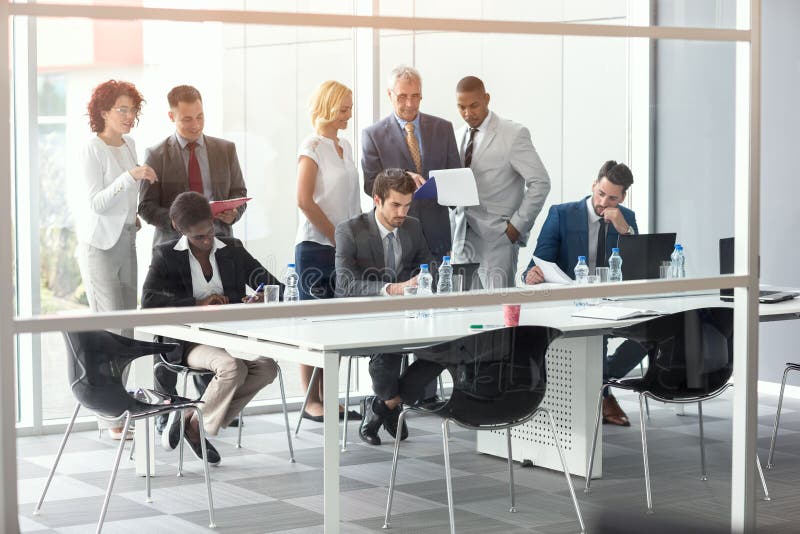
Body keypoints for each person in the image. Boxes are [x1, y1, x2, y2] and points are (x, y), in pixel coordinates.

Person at [141, 191, 283, 465]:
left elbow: (272, 284)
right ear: (178, 228)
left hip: (230, 338)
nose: (207, 241)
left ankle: (192, 420)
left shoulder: (233, 250)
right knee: (233, 368)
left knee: (267, 368)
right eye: (198, 237)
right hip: (185, 343)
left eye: (210, 232)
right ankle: (198, 425)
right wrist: (196, 303)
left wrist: (260, 296)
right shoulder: (166, 256)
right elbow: (148, 301)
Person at [138, 85, 248, 431]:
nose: (195, 124)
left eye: (200, 116)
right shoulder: (157, 154)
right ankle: (165, 399)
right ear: (172, 116)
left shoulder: (224, 149)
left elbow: (239, 194)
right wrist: (180, 223)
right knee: (176, 323)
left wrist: (233, 212)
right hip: (177, 251)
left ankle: (211, 401)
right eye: (187, 119)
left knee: (218, 319)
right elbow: (145, 207)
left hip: (220, 244)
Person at [523, 160, 644, 426]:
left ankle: (598, 382)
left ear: (622, 197)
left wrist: (625, 230)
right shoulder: (562, 214)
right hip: (572, 305)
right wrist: (533, 274)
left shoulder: (627, 219)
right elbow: (536, 263)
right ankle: (603, 395)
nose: (603, 202)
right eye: (600, 193)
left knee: (647, 336)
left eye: (612, 197)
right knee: (597, 338)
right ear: (593, 186)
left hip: (612, 302)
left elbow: (639, 269)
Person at [335, 169, 445, 445]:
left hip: (406, 313)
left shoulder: (412, 226)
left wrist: (429, 276)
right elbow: (345, 284)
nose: (402, 213)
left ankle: (384, 406)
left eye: (407, 205)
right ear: (377, 199)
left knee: (447, 347)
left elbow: (428, 263)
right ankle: (390, 406)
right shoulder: (349, 230)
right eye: (396, 205)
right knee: (389, 349)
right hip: (365, 314)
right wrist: (391, 289)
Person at [74, 80, 157, 440]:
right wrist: (130, 176)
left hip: (126, 240)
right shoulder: (91, 149)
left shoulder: (131, 145)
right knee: (107, 331)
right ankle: (109, 417)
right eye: (122, 109)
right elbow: (94, 202)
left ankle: (117, 406)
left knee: (124, 332)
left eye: (133, 110)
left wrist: (131, 217)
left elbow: (121, 200)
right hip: (99, 247)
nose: (129, 116)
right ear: (104, 112)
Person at [295, 80, 362, 422]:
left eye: (350, 107)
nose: (349, 113)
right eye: (344, 108)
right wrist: (336, 236)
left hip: (343, 246)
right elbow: (304, 201)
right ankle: (310, 401)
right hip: (316, 247)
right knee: (313, 324)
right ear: (327, 106)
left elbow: (351, 200)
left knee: (334, 325)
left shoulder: (344, 146)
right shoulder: (312, 146)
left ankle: (329, 396)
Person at [452, 76, 551, 289]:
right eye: (461, 107)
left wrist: (517, 227)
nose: (468, 113)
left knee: (499, 313)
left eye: (474, 105)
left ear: (487, 99)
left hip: (498, 237)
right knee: (462, 313)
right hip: (461, 239)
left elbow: (540, 182)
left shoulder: (513, 134)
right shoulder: (456, 136)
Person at [361, 65, 461, 259]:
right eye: (402, 97)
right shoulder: (373, 135)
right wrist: (402, 177)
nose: (409, 103)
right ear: (389, 95)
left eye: (415, 96)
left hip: (436, 235)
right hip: (394, 232)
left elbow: (454, 176)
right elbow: (370, 184)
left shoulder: (443, 128)